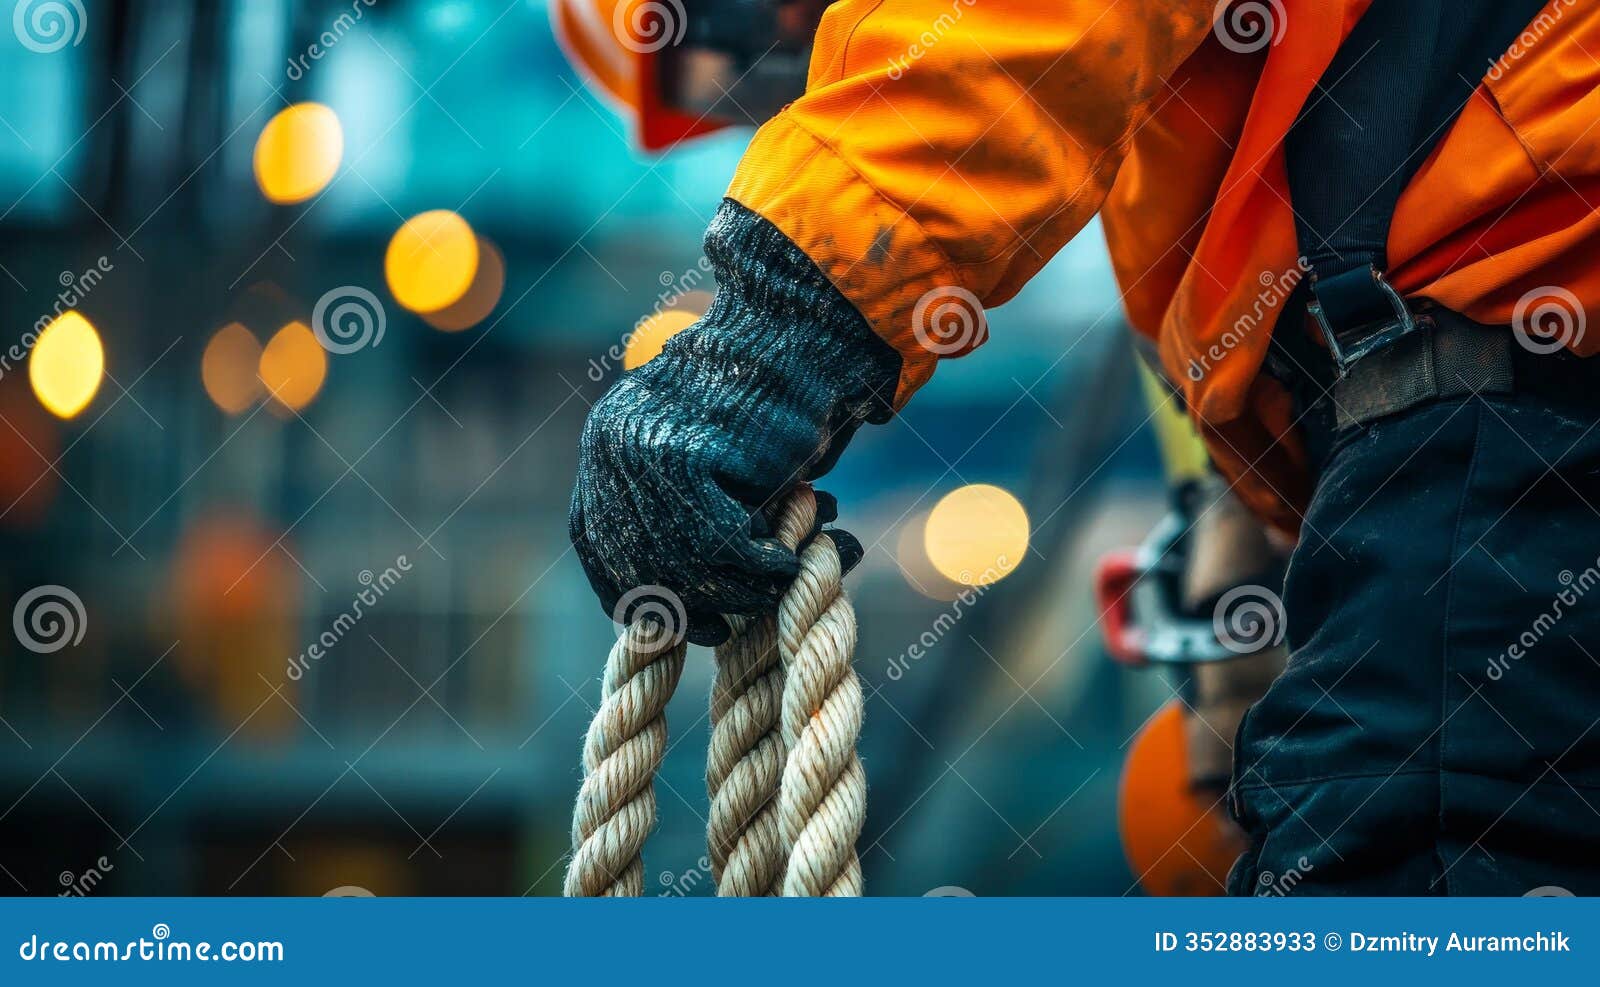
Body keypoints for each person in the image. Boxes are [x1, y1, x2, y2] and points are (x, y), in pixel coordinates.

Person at [569, 0, 1600, 894]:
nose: (827, 63)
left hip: (1515, 382)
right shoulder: (1219, 158)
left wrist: (777, 325)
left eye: (768, 29)